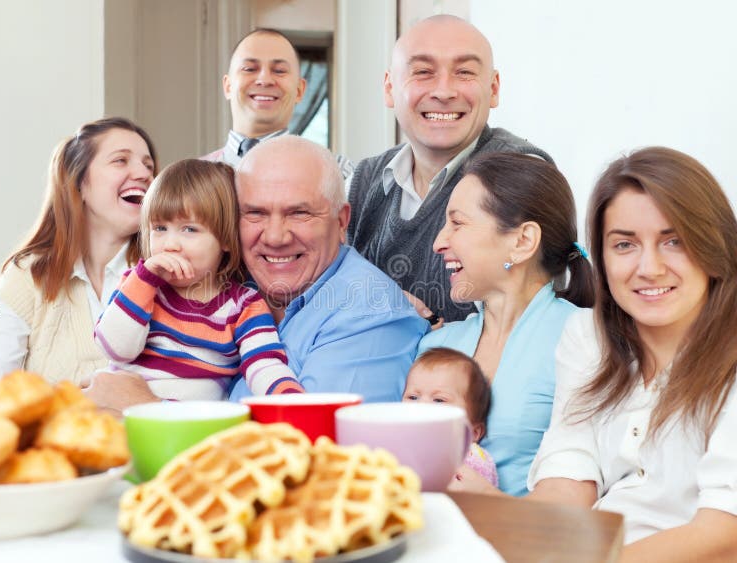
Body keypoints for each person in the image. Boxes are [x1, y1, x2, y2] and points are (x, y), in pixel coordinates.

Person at [458, 147, 737, 562]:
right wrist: (496, 526)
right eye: (624, 245)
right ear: (602, 259)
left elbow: (723, 533)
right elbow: (570, 480)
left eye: (673, 241)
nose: (649, 267)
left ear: (712, 245)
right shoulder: (587, 337)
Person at [347, 15, 552, 324]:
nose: (444, 92)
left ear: (494, 88)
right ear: (389, 88)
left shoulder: (521, 174)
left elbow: (528, 321)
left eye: (464, 72)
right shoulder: (364, 180)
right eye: (423, 72)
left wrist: (423, 327)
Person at [420, 152, 594, 496]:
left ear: (522, 241)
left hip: (534, 544)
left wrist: (491, 504)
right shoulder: (434, 348)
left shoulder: (584, 338)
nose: (439, 242)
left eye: (457, 223)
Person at [229, 135, 429, 402]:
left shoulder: (370, 312)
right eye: (255, 213)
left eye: (299, 213)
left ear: (341, 221)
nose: (275, 237)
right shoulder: (230, 290)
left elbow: (309, 438)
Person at [93, 159, 304, 400]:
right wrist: (145, 281)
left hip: (194, 429)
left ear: (226, 239)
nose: (170, 244)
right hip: (120, 419)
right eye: (160, 228)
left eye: (189, 229)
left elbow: (264, 366)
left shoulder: (244, 306)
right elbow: (116, 350)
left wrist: (291, 402)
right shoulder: (137, 285)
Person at [0, 117, 158, 384]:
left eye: (148, 166)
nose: (144, 174)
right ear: (78, 182)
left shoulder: (167, 272)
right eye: (121, 160)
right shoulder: (26, 277)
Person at [202, 28, 353, 178]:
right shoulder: (191, 182)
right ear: (228, 86)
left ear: (299, 90)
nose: (265, 80)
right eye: (249, 69)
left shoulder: (337, 172)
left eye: (279, 71)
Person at [403, 347, 498, 487]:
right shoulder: (395, 444)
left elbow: (478, 499)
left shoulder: (470, 460)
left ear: (472, 433)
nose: (421, 405)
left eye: (439, 400)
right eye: (413, 397)